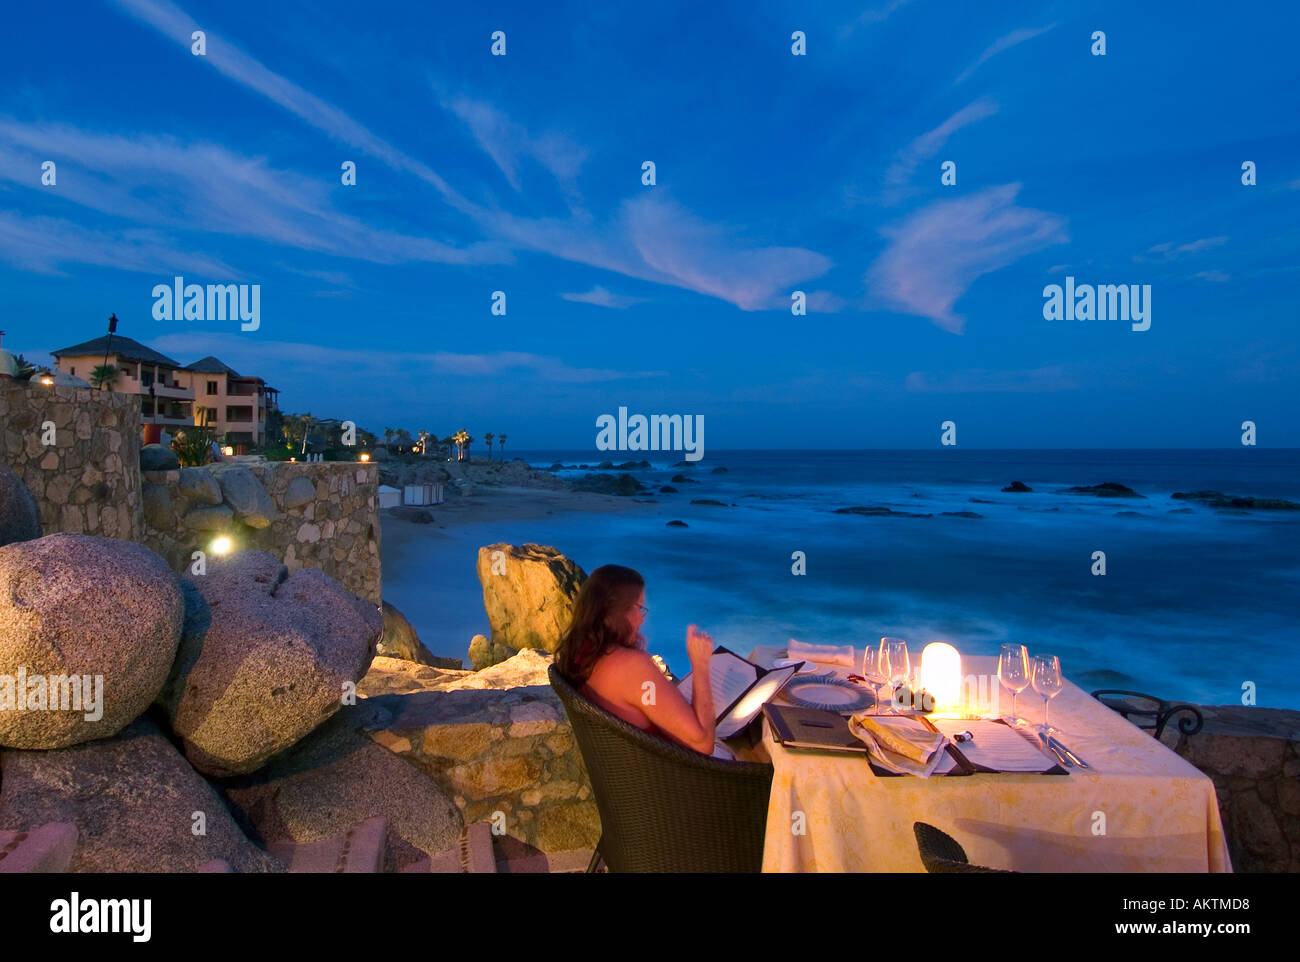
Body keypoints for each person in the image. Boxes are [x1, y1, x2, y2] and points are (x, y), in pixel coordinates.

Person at [554, 564, 719, 755]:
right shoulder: (632, 666)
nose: (641, 620)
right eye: (638, 608)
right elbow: (703, 745)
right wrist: (701, 665)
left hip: (625, 770)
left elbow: (645, 696)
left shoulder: (578, 656)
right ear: (617, 610)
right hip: (673, 774)